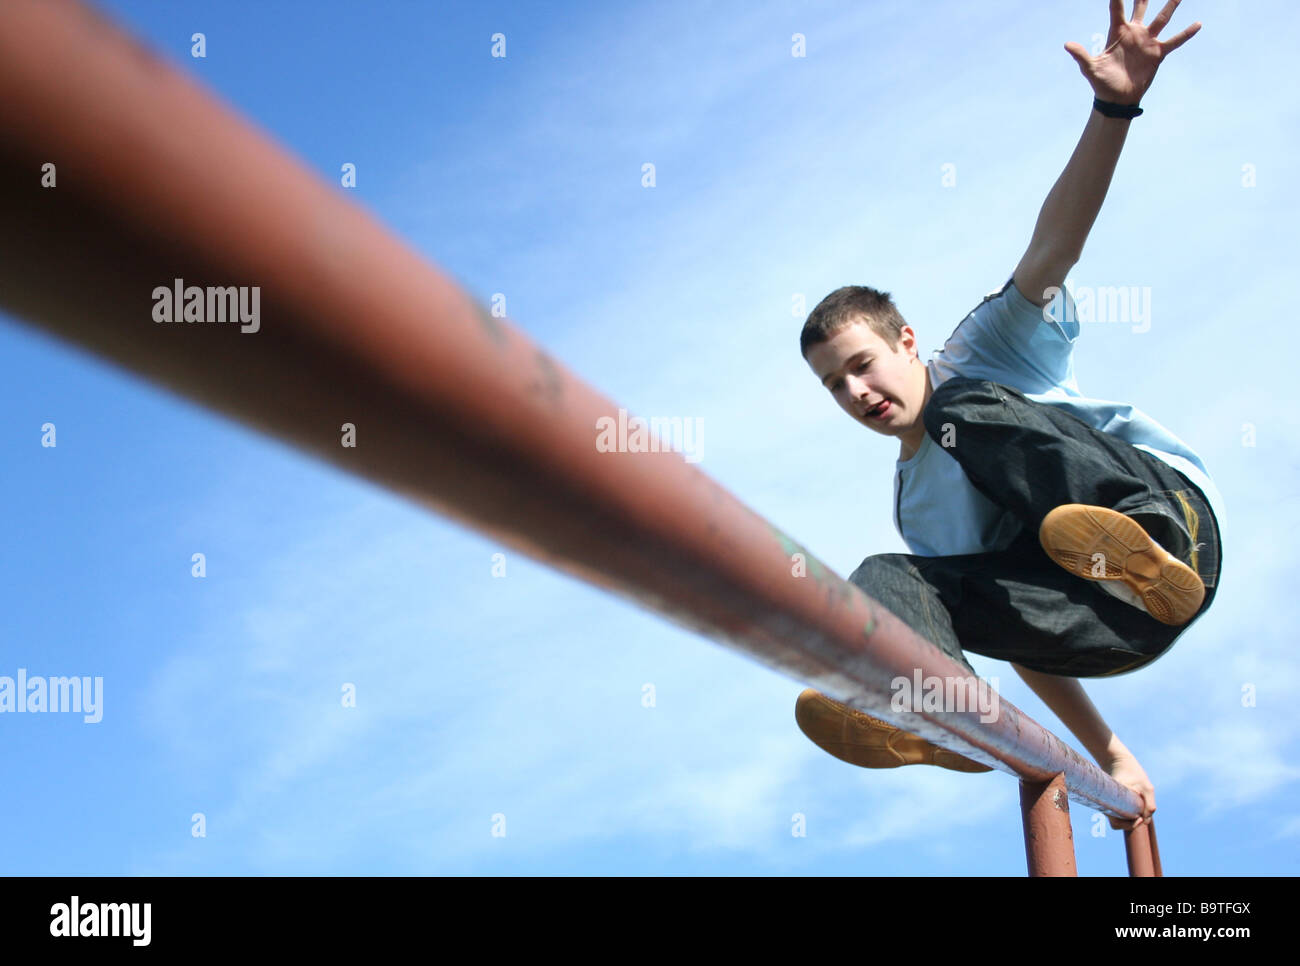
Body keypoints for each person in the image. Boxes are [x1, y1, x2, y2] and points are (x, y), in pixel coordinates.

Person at [795, 0, 1217, 831]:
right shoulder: (917, 500)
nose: (857, 394)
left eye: (861, 366)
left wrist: (1114, 108)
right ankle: (930, 709)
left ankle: (1144, 545)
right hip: (1098, 622)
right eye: (834, 388)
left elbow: (1055, 244)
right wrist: (1110, 754)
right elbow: (1018, 632)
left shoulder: (982, 353)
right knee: (891, 580)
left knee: (963, 410)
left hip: (1181, 541)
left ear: (905, 340)